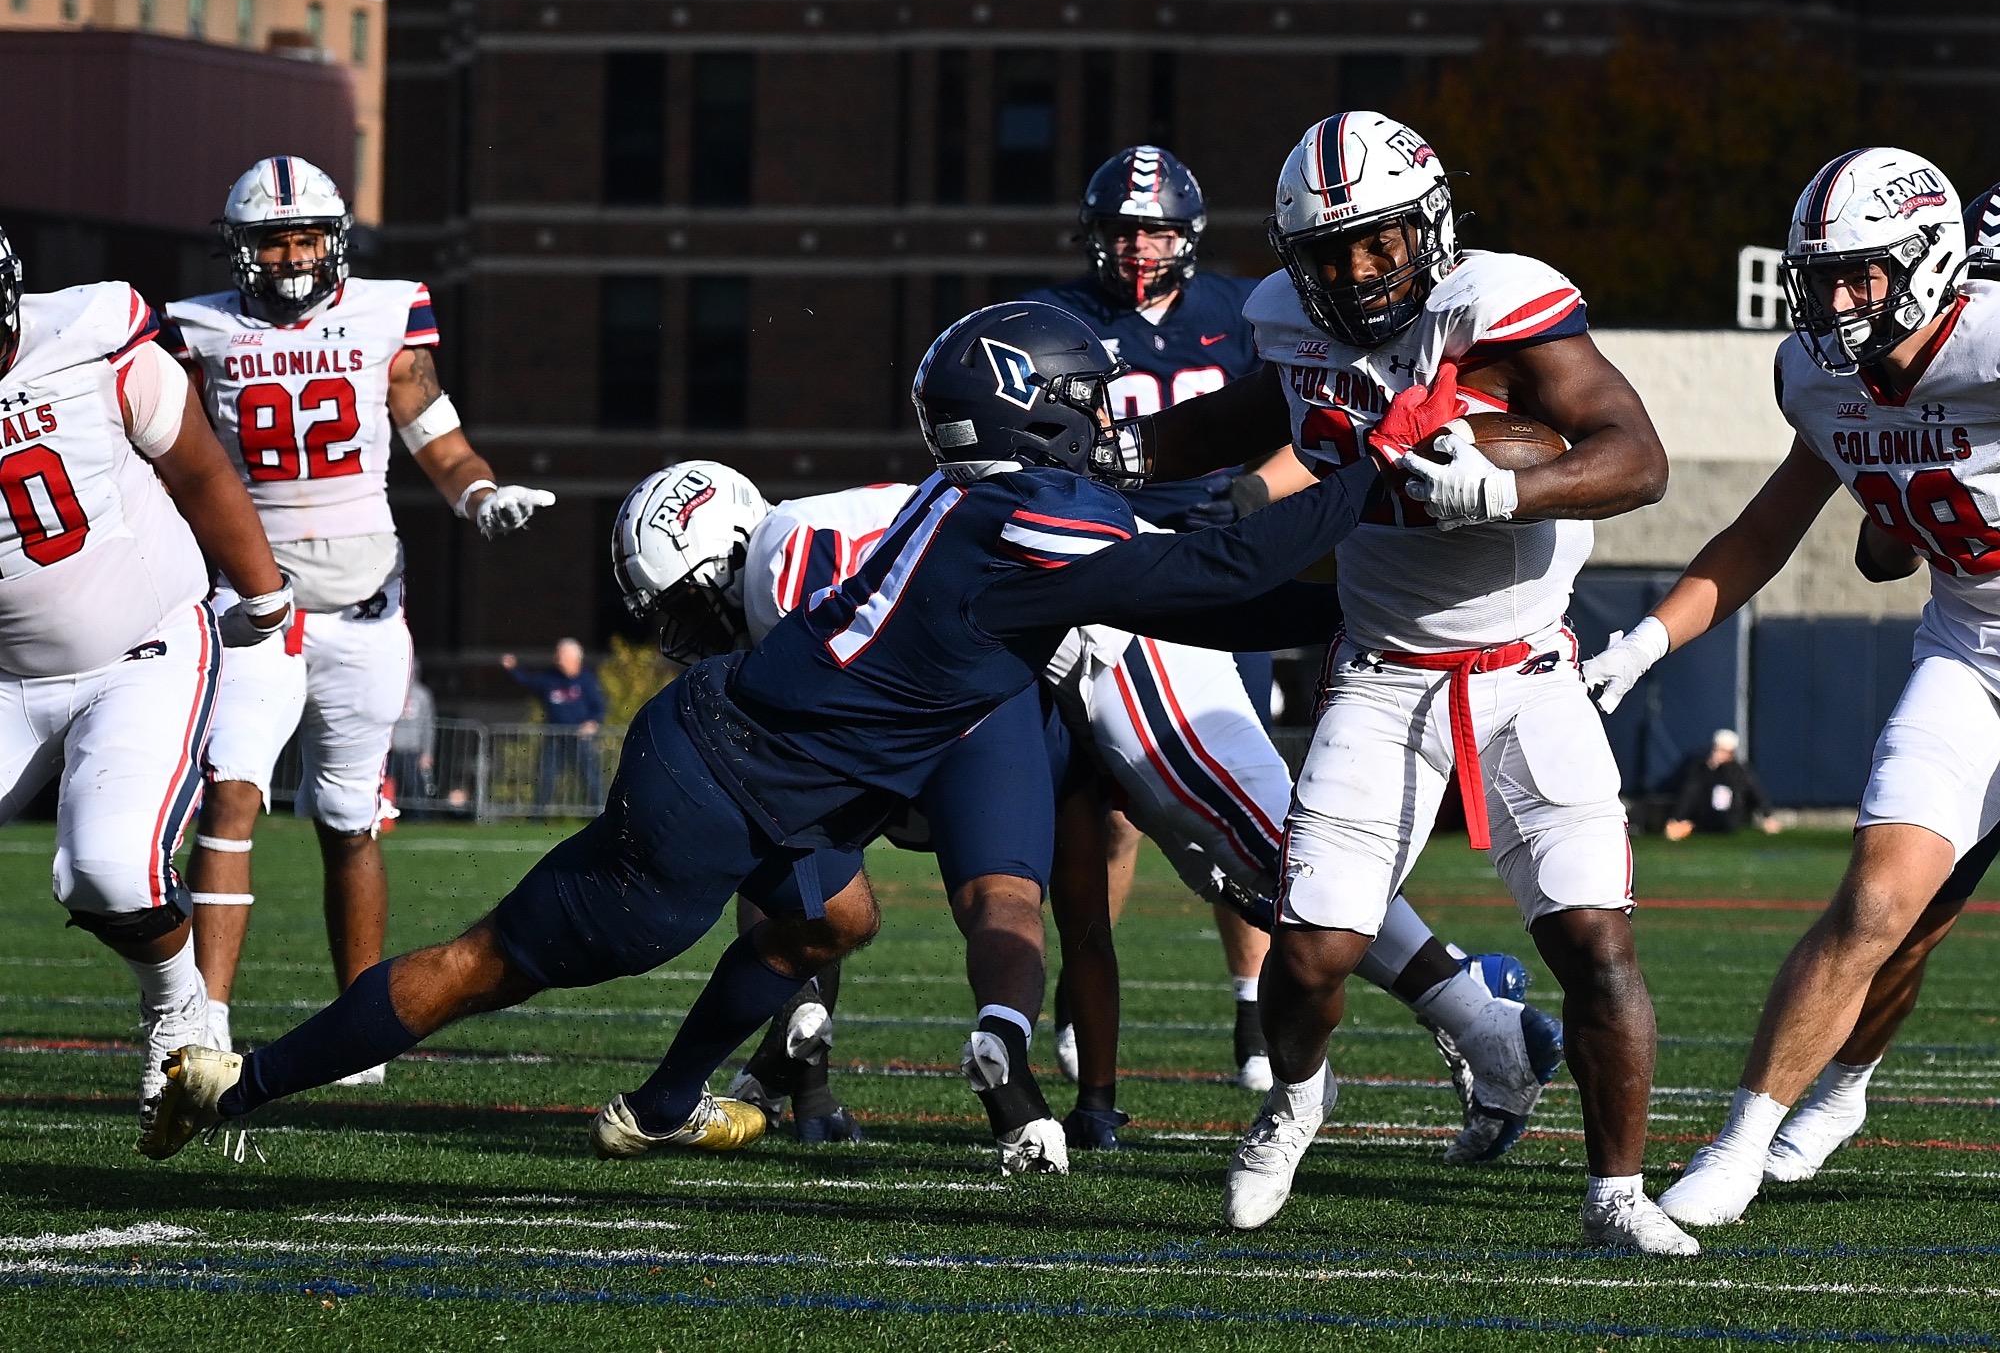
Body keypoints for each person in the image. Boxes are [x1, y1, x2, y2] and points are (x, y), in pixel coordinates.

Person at [138, 299, 1387, 1167]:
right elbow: (1219, 566)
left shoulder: (974, 497)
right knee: (489, 965)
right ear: (1036, 416)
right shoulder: (1022, 528)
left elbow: (1197, 550)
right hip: (726, 788)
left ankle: (665, 1106)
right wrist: (1369, 474)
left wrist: (1342, 578)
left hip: (758, 759)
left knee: (830, 919)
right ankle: (237, 1087)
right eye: (1079, 400)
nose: (1099, 418)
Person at [621, 462, 1560, 1163]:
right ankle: (1483, 1020)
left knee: (1278, 855)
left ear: (724, 555)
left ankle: (1487, 1025)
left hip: (1102, 630)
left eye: (683, 605)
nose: (685, 638)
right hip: (1060, 642)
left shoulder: (789, 558)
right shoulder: (806, 543)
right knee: (1249, 864)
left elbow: (862, 730)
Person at [1132, 111, 1687, 1252]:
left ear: (1425, 228)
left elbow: (1636, 458)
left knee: (1594, 940)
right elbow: (1251, 417)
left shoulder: (1497, 303)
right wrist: (1113, 442)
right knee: (1310, 951)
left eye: (1377, 244)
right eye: (1330, 251)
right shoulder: (1284, 320)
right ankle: (1294, 1101)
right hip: (1383, 667)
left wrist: (1504, 491)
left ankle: (1615, 1196)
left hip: (1527, 669)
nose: (1354, 271)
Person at [1582, 148, 1995, 1231]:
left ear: (1928, 261)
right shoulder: (1813, 374)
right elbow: (1768, 528)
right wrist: (1646, 641)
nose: (1832, 300)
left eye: (1858, 275)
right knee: (1875, 901)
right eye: (1822, 276)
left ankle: (1830, 1098)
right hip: (1968, 653)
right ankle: (1738, 1144)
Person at [164, 156, 556, 1076]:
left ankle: (359, 1029)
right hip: (255, 609)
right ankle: (206, 1020)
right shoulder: (198, 330)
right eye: (274, 240)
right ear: (240, 249)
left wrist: (481, 495)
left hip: (369, 609)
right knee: (232, 795)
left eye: (305, 237)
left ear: (336, 243)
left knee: (349, 820)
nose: (293, 256)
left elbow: (434, 431)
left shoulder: (386, 312)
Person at [1025, 144, 1319, 1092]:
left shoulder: (1247, 311)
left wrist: (1244, 498)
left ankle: (1251, 1004)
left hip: (1222, 572)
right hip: (1111, 572)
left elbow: (1319, 428)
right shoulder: (1057, 318)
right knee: (1108, 804)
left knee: (1250, 791)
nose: (1138, 247)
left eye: (1153, 228)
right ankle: (1089, 995)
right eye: (1122, 228)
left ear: (1188, 233)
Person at [0, 230, 293, 1126]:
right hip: (5, 676)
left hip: (139, 652)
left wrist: (265, 593)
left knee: (108, 869)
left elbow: (198, 466)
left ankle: (178, 1007)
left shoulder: (91, 342)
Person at [502, 638, 607, 809]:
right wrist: (513, 668)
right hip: (555, 737)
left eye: (562, 655)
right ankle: (537, 815)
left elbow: (599, 708)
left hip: (580, 739)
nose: (557, 659)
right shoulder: (550, 678)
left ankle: (599, 812)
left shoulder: (586, 680)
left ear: (574, 658)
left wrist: (591, 724)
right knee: (546, 776)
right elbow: (529, 681)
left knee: (590, 777)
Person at [1663, 729, 1780, 840]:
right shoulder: (1701, 768)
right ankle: (1678, 823)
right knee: (1693, 787)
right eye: (1717, 749)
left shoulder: (1740, 771)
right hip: (1705, 817)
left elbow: (1756, 792)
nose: (1719, 753)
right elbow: (1690, 793)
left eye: (1723, 750)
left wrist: (1768, 816)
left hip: (1729, 819)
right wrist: (1710, 768)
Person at [387, 668, 437, 812]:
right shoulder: (392, 692)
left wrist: (427, 752)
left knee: (414, 788)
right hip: (393, 748)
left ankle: (418, 818)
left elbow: (428, 725)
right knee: (388, 786)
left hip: (413, 750)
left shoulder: (422, 695)